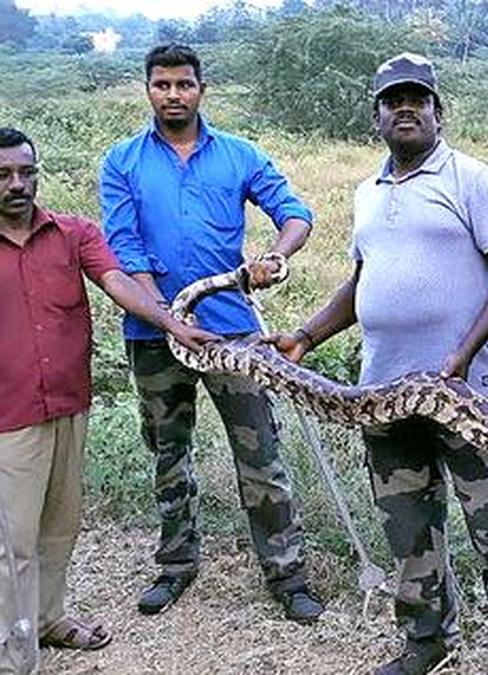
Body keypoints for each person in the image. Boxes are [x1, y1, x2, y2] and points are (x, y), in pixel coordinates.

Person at [267, 53, 488, 675]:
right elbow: (364, 278)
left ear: (437, 110)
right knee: (408, 530)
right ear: (375, 115)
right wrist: (306, 335)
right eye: (393, 100)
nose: (406, 108)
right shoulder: (367, 193)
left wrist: (463, 352)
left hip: (468, 396)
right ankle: (428, 642)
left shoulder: (475, 180)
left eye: (417, 99)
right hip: (385, 395)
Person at [99, 44, 323, 623]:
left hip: (233, 334)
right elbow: (122, 253)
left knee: (261, 454)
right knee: (169, 453)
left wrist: (275, 255)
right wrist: (169, 318)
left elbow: (295, 212)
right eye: (162, 85)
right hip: (154, 333)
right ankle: (176, 567)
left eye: (184, 84)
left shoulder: (239, 154)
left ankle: (287, 576)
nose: (173, 95)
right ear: (147, 89)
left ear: (203, 88)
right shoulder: (122, 161)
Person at [0, 127, 215, 660]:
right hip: (9, 413)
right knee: (13, 544)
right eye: (3, 175)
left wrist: (171, 322)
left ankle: (48, 619)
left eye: (26, 172)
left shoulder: (74, 235)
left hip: (68, 403)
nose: (17, 184)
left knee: (59, 527)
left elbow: (118, 282)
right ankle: (15, 653)